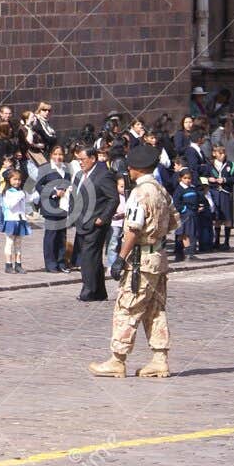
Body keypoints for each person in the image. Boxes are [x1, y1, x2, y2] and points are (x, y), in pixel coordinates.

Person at [90, 143, 177, 378]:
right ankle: (160, 358)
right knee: (155, 309)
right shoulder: (160, 190)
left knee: (127, 307)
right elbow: (173, 220)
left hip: (141, 260)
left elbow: (133, 230)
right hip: (158, 256)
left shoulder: (139, 193)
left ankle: (117, 359)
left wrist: (120, 258)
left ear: (136, 168)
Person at [70, 144, 118, 302]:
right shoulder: (79, 175)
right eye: (78, 160)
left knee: (88, 256)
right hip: (81, 222)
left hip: (95, 223)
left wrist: (103, 218)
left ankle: (88, 291)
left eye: (83, 159)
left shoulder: (103, 175)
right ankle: (99, 291)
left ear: (92, 158)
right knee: (93, 257)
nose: (80, 163)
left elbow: (113, 199)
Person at [34, 144, 71, 272]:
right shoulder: (45, 169)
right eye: (55, 154)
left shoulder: (66, 170)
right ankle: (50, 264)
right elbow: (39, 186)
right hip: (51, 206)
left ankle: (61, 262)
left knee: (62, 236)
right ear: (51, 155)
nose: (58, 157)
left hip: (63, 206)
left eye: (60, 154)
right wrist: (54, 193)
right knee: (51, 236)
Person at [0, 168, 31, 273]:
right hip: (11, 220)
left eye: (19, 180)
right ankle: (8, 265)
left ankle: (18, 264)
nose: (17, 182)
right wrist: (19, 196)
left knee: (18, 243)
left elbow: (28, 201)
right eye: (15, 179)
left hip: (20, 220)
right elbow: (11, 206)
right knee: (10, 242)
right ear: (9, 180)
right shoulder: (8, 192)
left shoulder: (20, 192)